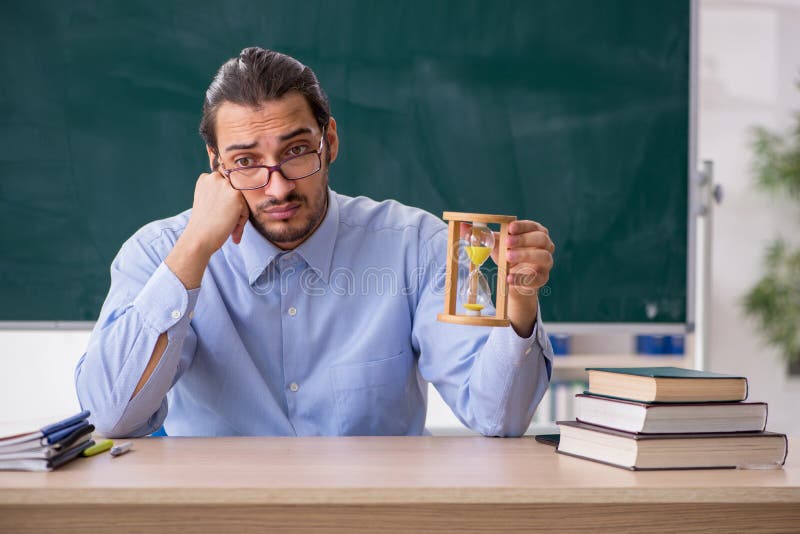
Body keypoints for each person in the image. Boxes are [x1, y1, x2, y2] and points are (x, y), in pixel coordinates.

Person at [75, 47, 556, 438]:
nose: (278, 186)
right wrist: (193, 250)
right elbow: (110, 417)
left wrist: (520, 304)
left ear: (330, 140)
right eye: (245, 162)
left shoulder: (417, 246)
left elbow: (500, 418)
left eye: (297, 151)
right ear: (215, 163)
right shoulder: (158, 253)